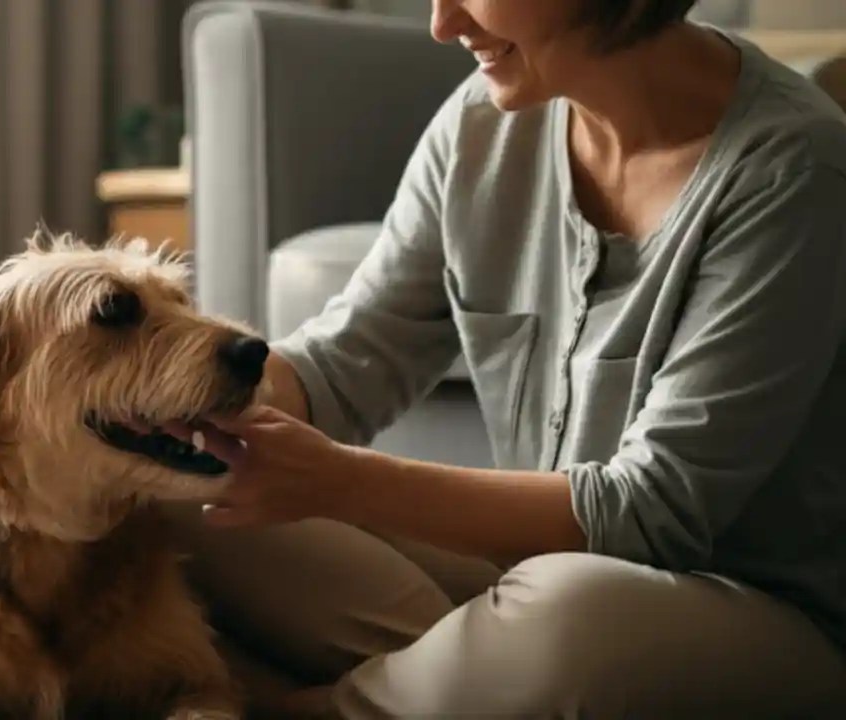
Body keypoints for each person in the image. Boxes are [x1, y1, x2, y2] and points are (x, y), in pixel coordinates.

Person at [166, 0, 846, 717]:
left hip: (750, 621)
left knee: (567, 620)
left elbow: (653, 512)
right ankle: (443, 683)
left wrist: (340, 481)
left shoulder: (795, 169)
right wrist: (178, 395)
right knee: (163, 490)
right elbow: (341, 366)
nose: (443, 22)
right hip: (524, 583)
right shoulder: (480, 126)